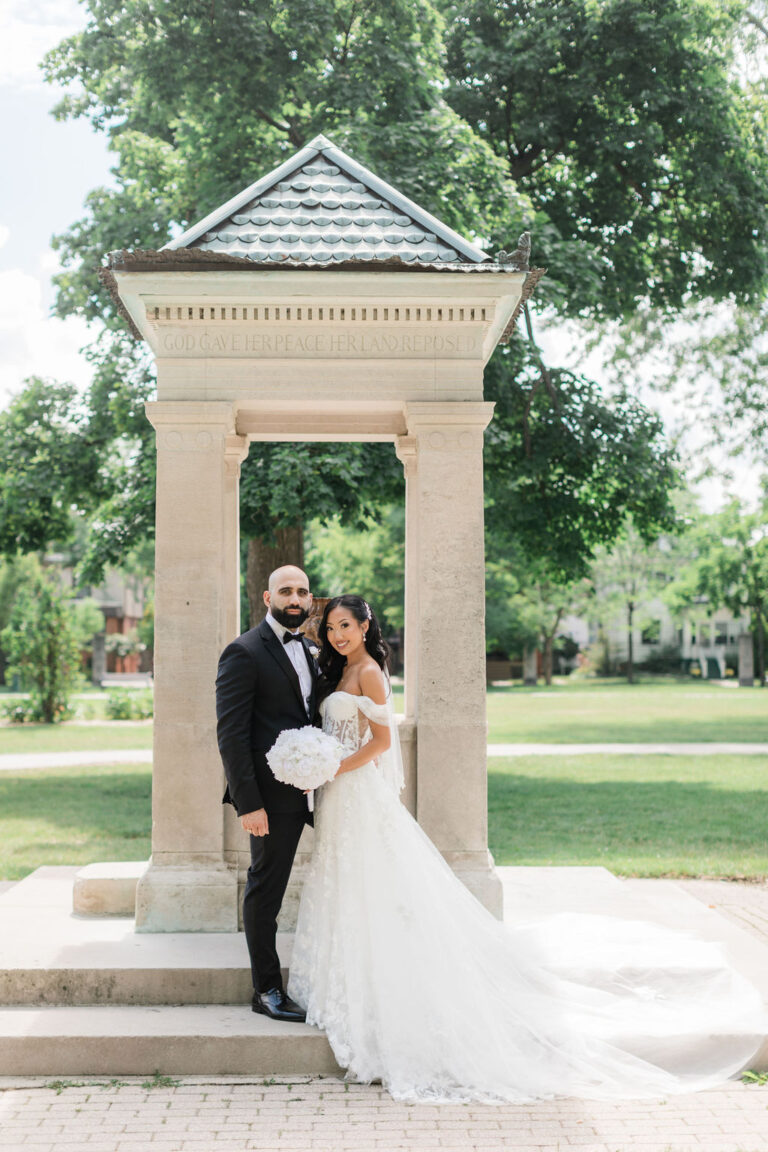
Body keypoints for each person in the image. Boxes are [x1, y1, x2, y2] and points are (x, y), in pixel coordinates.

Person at [288, 594, 767, 1102]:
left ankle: (383, 991)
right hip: (339, 797)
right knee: (347, 884)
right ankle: (342, 982)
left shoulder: (369, 672)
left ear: (365, 626)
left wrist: (331, 767)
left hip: (358, 793)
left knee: (377, 887)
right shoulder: (335, 669)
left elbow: (382, 743)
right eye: (333, 627)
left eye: (347, 625)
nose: (339, 634)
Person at [216, 564, 317, 1023]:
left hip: (320, 792)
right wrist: (248, 803)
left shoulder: (315, 650)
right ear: (266, 597)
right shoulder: (243, 652)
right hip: (270, 800)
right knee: (266, 891)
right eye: (285, 591)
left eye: (302, 591)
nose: (294, 598)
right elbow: (231, 735)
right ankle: (267, 990)